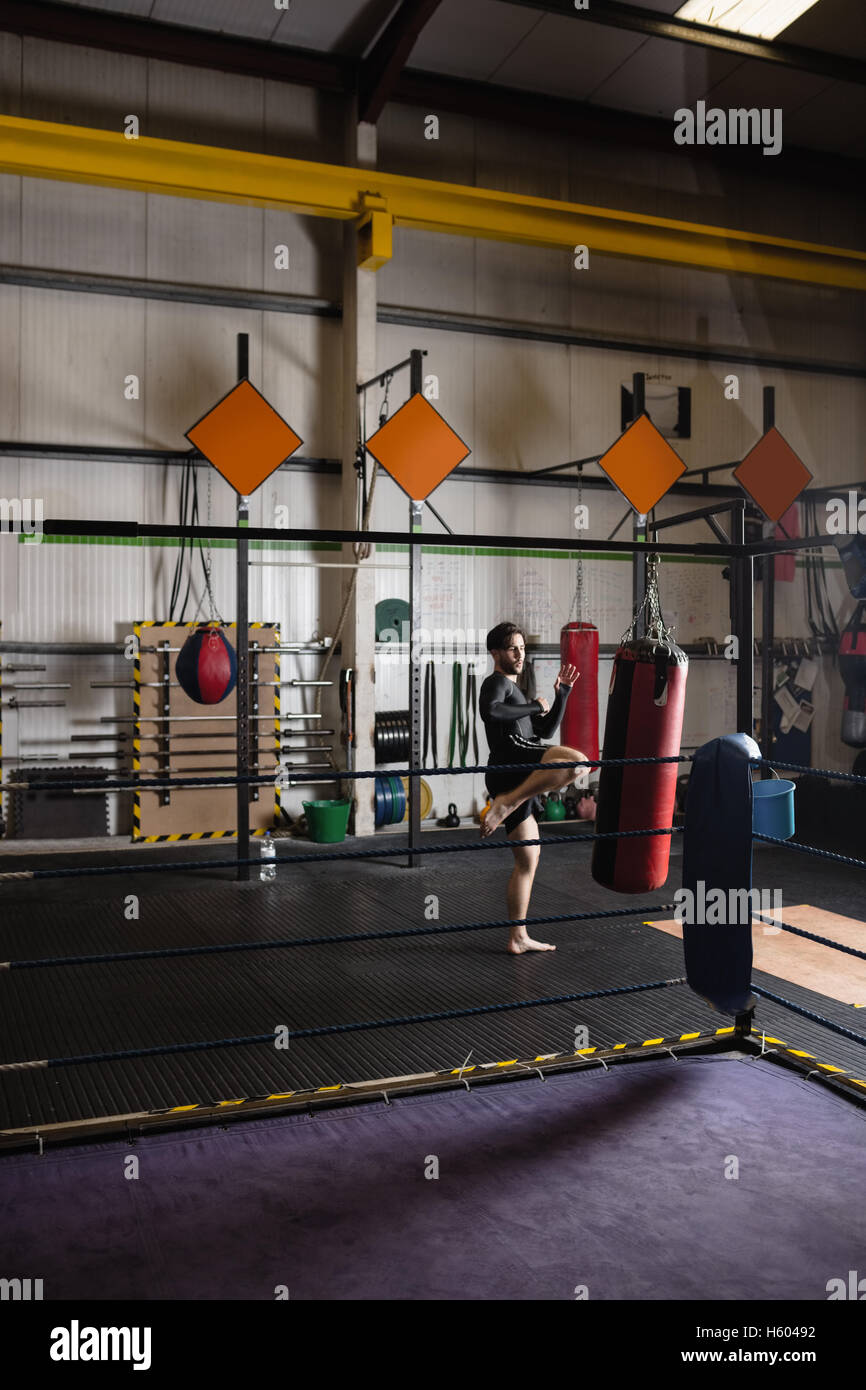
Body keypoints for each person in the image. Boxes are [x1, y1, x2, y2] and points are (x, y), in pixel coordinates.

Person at [479, 621, 588, 954]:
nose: (519, 654)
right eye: (512, 648)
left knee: (528, 859)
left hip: (519, 767)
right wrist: (532, 705)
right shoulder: (496, 683)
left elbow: (544, 729)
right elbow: (491, 711)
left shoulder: (517, 691)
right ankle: (507, 802)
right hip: (512, 763)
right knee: (576, 762)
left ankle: (518, 936)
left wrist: (561, 697)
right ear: (496, 652)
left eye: (522, 648)